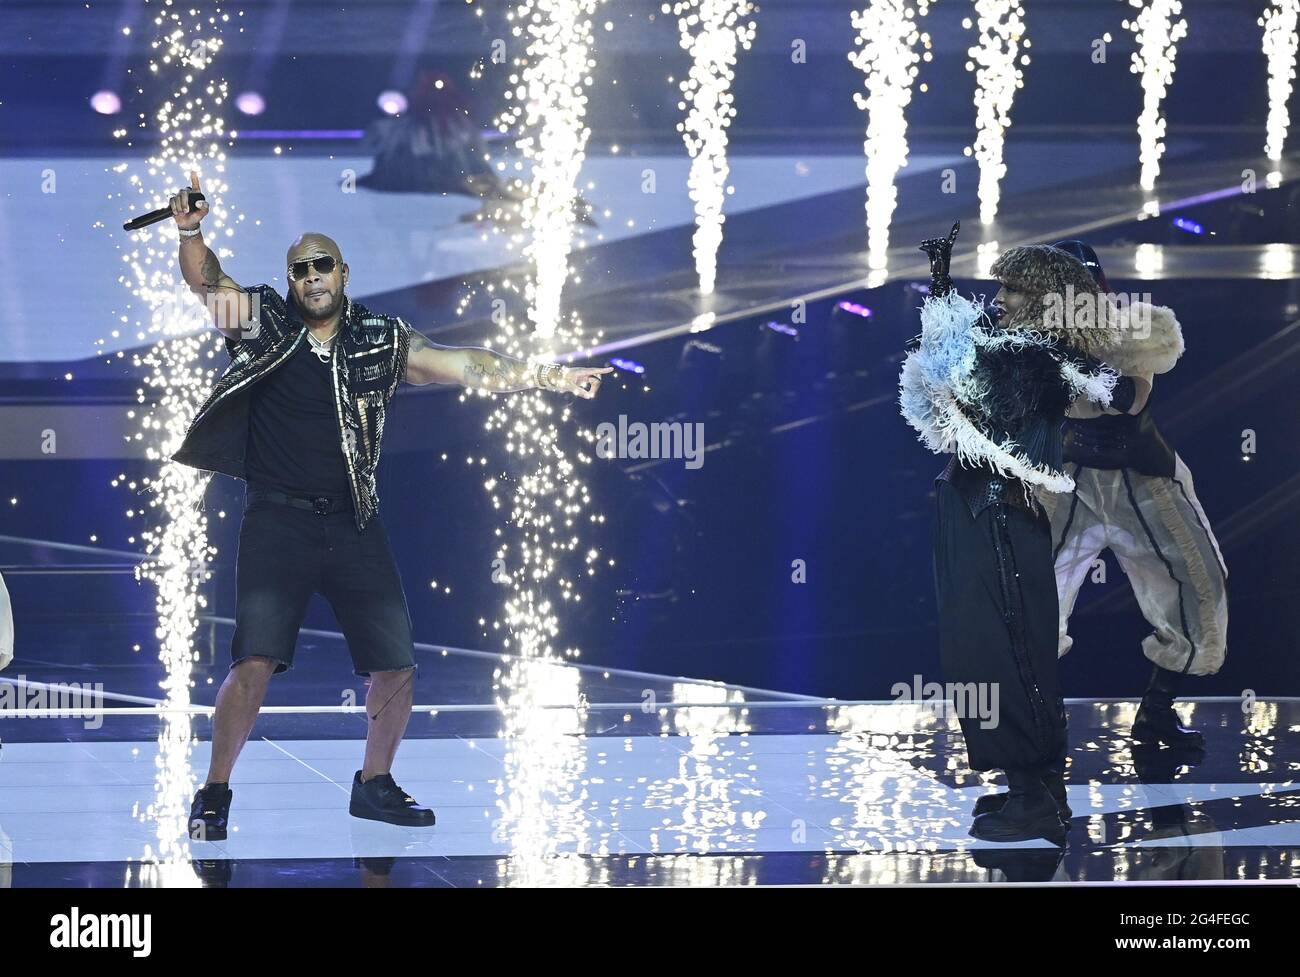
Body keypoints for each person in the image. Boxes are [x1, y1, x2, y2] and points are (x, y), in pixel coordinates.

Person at [166, 172, 612, 840]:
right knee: (253, 660)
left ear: (343, 272)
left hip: (353, 518)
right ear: (291, 281)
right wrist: (191, 231)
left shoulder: (380, 338)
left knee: (396, 662)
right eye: (299, 270)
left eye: (321, 266)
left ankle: (374, 784)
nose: (311, 277)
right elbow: (208, 283)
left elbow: (466, 365)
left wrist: (547, 375)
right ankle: (215, 790)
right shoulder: (263, 321)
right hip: (277, 519)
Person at [899, 223, 1121, 842]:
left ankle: (1036, 794)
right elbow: (946, 390)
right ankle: (1037, 786)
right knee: (985, 648)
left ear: (1044, 298)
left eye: (1012, 290)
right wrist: (942, 293)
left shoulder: (1040, 357)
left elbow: (968, 390)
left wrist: (944, 309)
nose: (998, 299)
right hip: (977, 506)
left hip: (998, 511)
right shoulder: (1019, 345)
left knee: (1005, 648)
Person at [1040, 240, 1227, 753]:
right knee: (1029, 591)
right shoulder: (1030, 334)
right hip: (1068, 477)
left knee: (1196, 581)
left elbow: (1126, 398)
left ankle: (1157, 712)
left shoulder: (1132, 328)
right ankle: (1041, 719)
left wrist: (1062, 356)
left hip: (1141, 479)